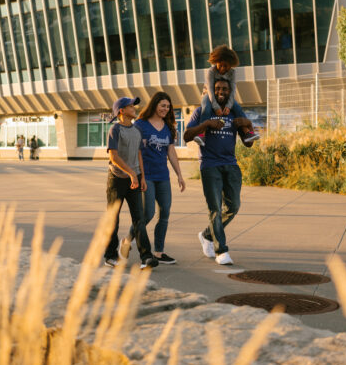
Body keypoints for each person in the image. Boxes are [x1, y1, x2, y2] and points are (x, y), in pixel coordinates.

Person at [184, 79, 254, 265]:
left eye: (224, 89)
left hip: (231, 165)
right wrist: (206, 124)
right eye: (217, 89)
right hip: (210, 165)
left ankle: (207, 234)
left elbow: (249, 143)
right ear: (211, 91)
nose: (220, 91)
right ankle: (221, 251)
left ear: (230, 92)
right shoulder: (202, 111)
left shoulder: (234, 112)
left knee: (233, 207)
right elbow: (187, 135)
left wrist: (248, 124)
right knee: (214, 208)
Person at [127, 92, 186, 265]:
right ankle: (127, 240)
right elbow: (134, 150)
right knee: (148, 213)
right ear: (154, 105)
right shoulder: (140, 125)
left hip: (163, 176)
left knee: (165, 212)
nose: (165, 109)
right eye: (162, 105)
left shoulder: (168, 127)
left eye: (168, 106)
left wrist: (179, 175)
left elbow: (171, 152)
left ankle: (159, 252)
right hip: (146, 176)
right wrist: (135, 174)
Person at [102, 97, 158, 270]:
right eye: (130, 106)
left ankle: (146, 257)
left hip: (135, 178)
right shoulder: (115, 130)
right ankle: (110, 256)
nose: (134, 108)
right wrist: (131, 173)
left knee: (139, 219)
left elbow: (139, 154)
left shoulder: (136, 130)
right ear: (121, 111)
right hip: (117, 179)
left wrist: (141, 177)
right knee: (113, 219)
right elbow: (114, 157)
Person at [193, 45, 259, 147]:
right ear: (216, 62)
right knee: (206, 108)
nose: (223, 68)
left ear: (231, 65)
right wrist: (216, 107)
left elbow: (233, 91)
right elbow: (210, 90)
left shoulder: (232, 73)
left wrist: (228, 106)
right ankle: (202, 134)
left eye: (226, 66)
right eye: (220, 65)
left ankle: (247, 133)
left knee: (237, 108)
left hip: (226, 96)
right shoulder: (211, 71)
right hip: (209, 95)